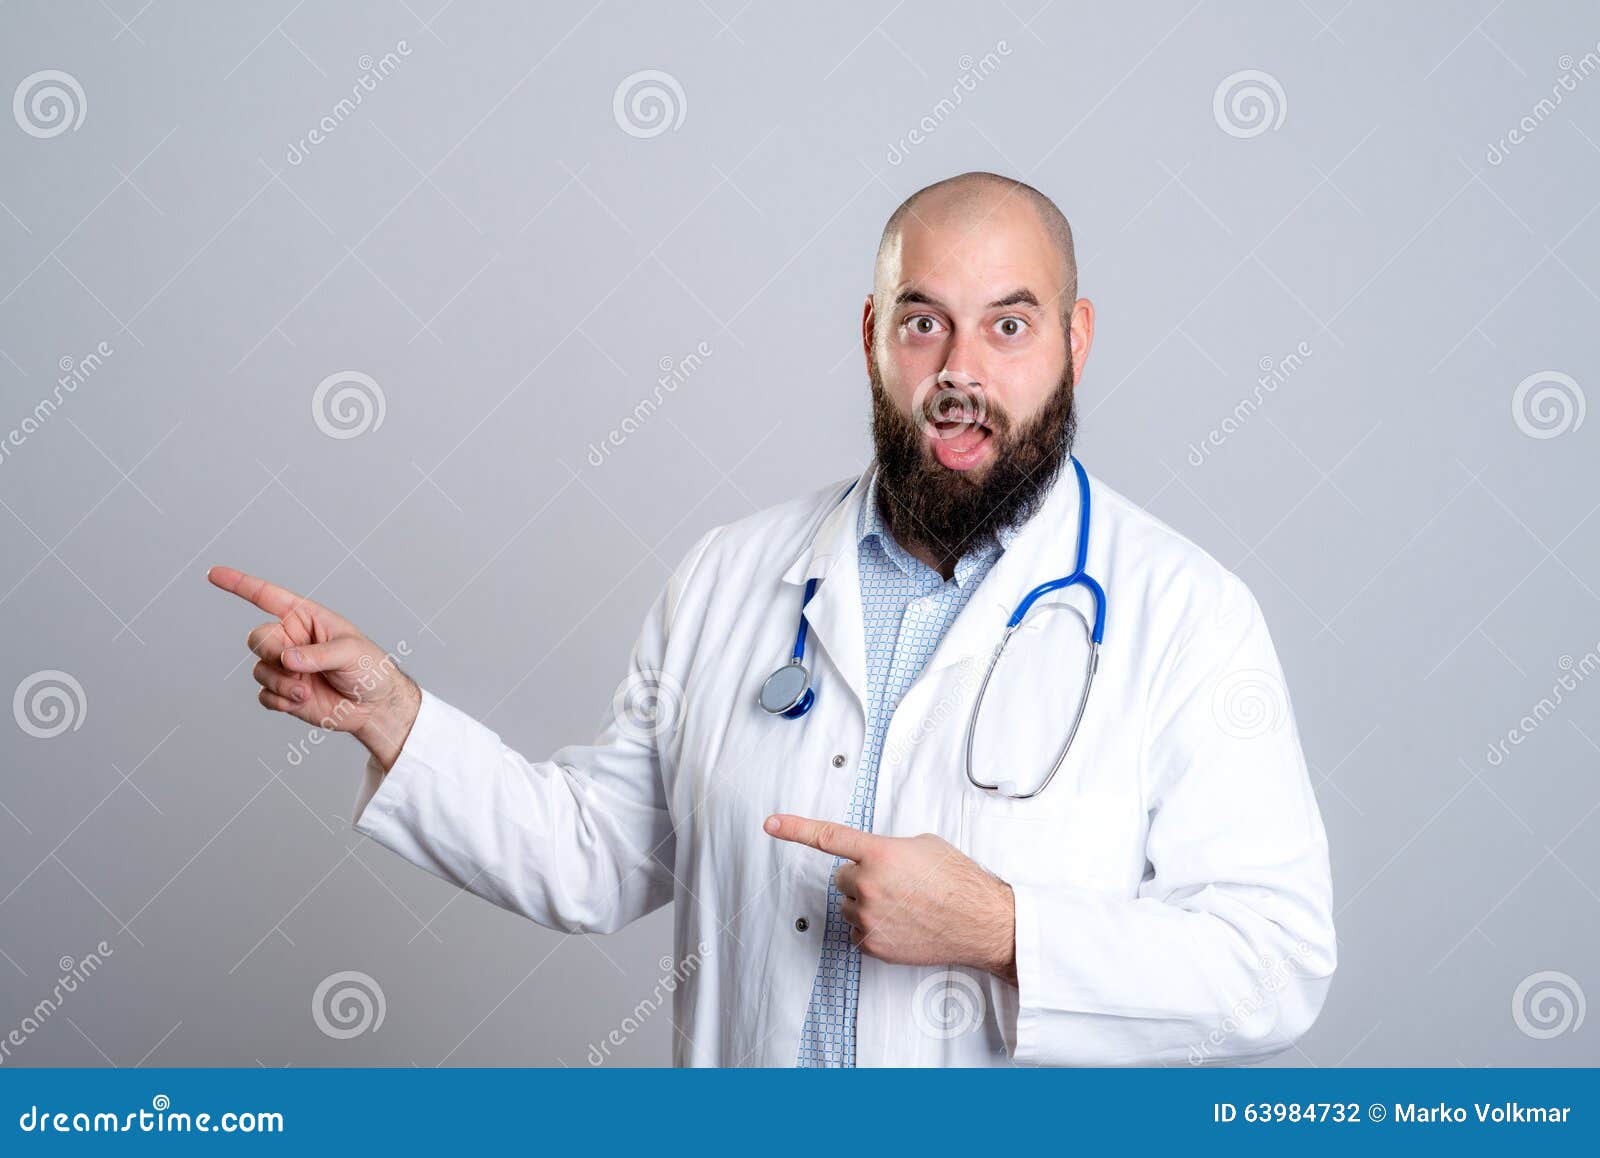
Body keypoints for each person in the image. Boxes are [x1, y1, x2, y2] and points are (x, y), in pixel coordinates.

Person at [209, 171, 1335, 1067]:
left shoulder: (1184, 614)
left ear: (1075, 341)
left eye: (1008, 327)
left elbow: (1273, 967)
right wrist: (397, 718)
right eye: (922, 322)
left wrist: (1001, 929)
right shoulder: (730, 576)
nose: (958, 372)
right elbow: (597, 857)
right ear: (869, 336)